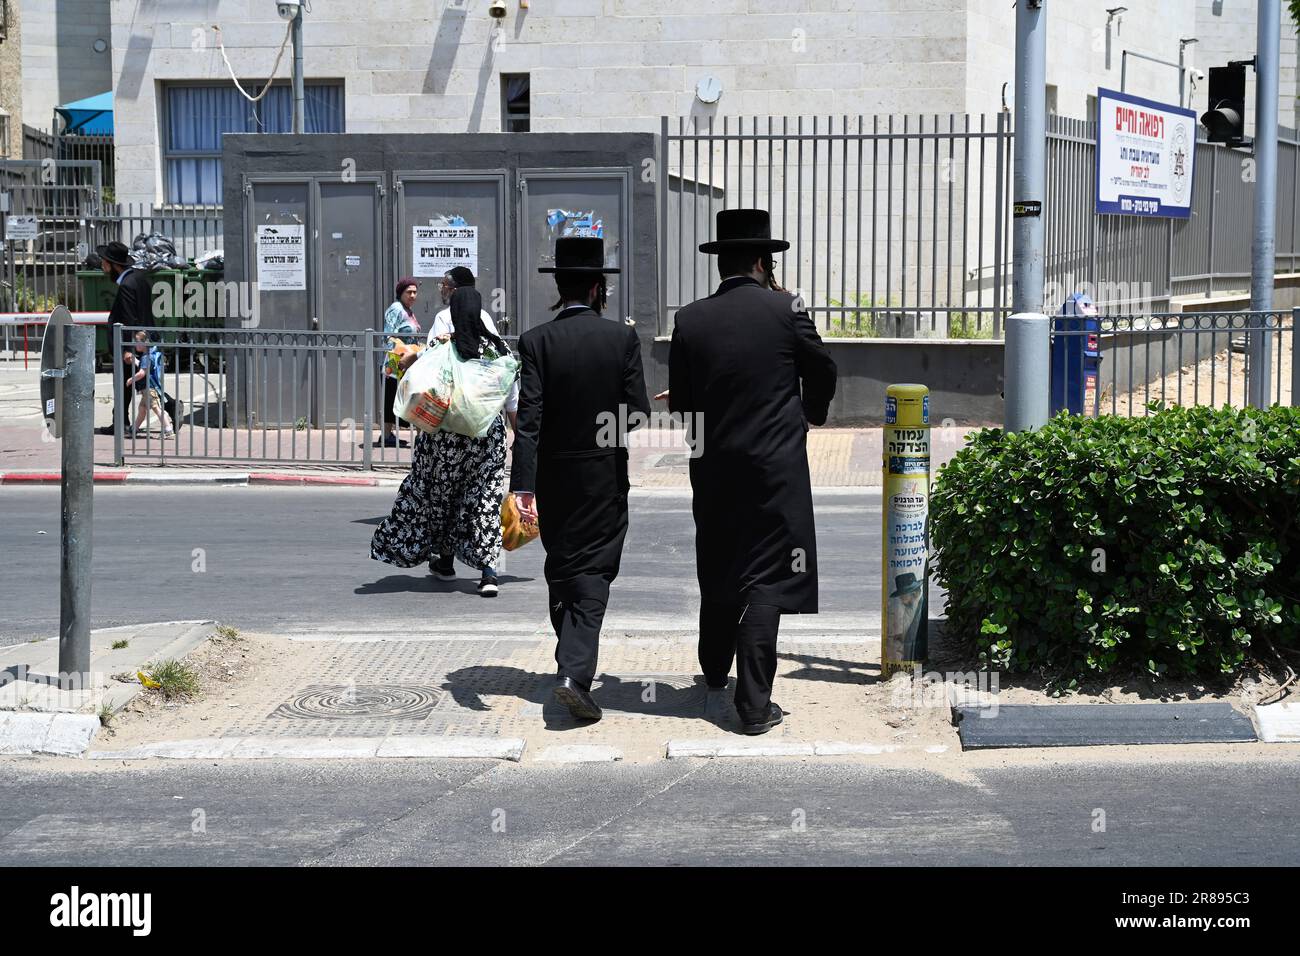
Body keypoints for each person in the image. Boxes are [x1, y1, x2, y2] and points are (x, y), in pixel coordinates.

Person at [665, 208, 837, 735]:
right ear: (764, 261)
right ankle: (755, 706)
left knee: (720, 562)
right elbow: (823, 370)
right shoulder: (787, 310)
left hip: (713, 464)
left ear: (722, 263)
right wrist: (809, 413)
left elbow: (683, 402)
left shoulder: (690, 319)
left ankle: (714, 670)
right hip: (775, 468)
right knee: (766, 577)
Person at [508, 236, 650, 722]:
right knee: (594, 573)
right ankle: (573, 673)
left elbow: (527, 424)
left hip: (552, 477)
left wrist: (520, 489)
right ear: (596, 288)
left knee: (562, 567)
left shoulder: (535, 341)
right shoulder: (621, 339)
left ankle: (568, 658)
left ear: (560, 287)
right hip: (603, 475)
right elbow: (636, 415)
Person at [371, 286, 517, 597]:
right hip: (485, 440)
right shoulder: (499, 351)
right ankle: (489, 573)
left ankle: (446, 561)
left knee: (443, 499)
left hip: (444, 440)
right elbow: (512, 401)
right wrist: (522, 438)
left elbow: (413, 373)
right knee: (485, 501)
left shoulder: (441, 345)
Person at [95, 241, 156, 436]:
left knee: (133, 384)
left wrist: (128, 348)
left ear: (113, 265)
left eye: (104, 263)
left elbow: (130, 318)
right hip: (142, 341)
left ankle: (170, 406)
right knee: (138, 383)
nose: (102, 267)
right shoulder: (138, 278)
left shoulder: (127, 286)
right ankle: (120, 421)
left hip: (131, 344)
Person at [379, 277, 423, 448]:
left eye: (415, 292)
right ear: (401, 293)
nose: (412, 295)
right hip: (396, 361)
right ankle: (388, 435)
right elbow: (388, 336)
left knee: (411, 396)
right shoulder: (396, 309)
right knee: (392, 397)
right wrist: (404, 350)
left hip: (408, 361)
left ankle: (416, 436)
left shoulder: (408, 310)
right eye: (409, 292)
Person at [126, 330, 173, 438]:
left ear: (145, 342)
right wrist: (135, 360)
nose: (135, 344)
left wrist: (131, 379)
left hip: (149, 388)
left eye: (137, 341)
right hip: (146, 389)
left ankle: (168, 430)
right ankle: (134, 429)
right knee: (142, 410)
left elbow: (142, 372)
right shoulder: (148, 355)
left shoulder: (146, 357)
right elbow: (143, 366)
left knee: (157, 409)